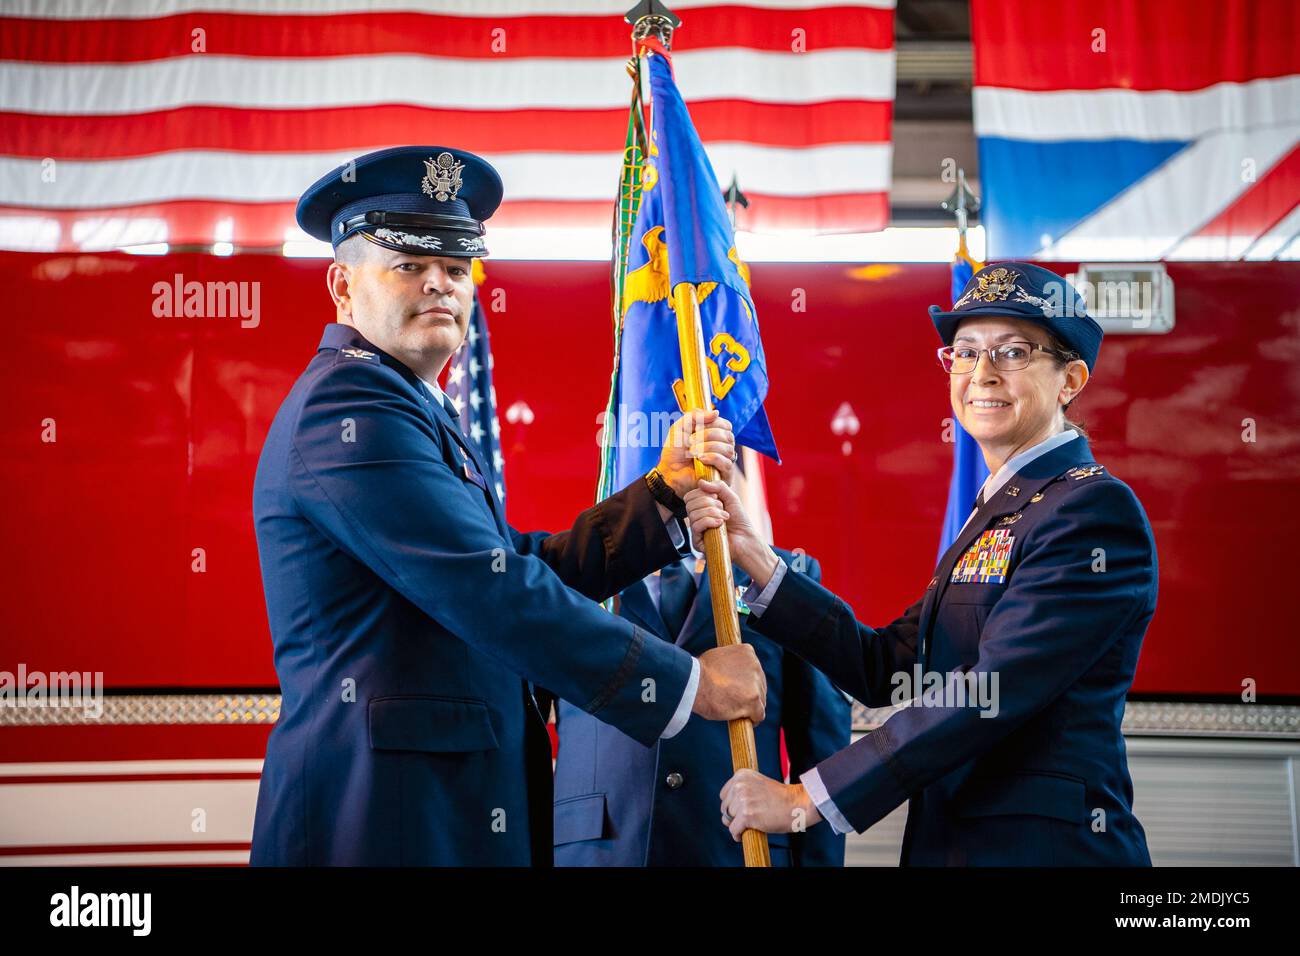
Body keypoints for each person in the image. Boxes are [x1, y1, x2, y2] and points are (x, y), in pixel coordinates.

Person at [250, 146, 766, 866]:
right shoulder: (349, 408)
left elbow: (511, 562)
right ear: (342, 286)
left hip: (430, 814)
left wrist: (660, 500)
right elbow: (486, 587)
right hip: (386, 823)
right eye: (408, 264)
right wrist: (689, 683)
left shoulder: (405, 405)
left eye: (457, 269)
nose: (440, 285)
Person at [686, 262, 1157, 866]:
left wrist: (809, 797)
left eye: (1012, 352)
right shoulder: (1003, 505)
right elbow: (893, 668)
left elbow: (991, 690)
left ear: (1071, 378)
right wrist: (757, 558)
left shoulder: (1090, 509)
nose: (981, 374)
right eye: (964, 352)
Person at [552, 467, 851, 867]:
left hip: (736, 849)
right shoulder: (567, 574)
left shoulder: (782, 578)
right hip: (595, 852)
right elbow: (525, 723)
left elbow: (820, 743)